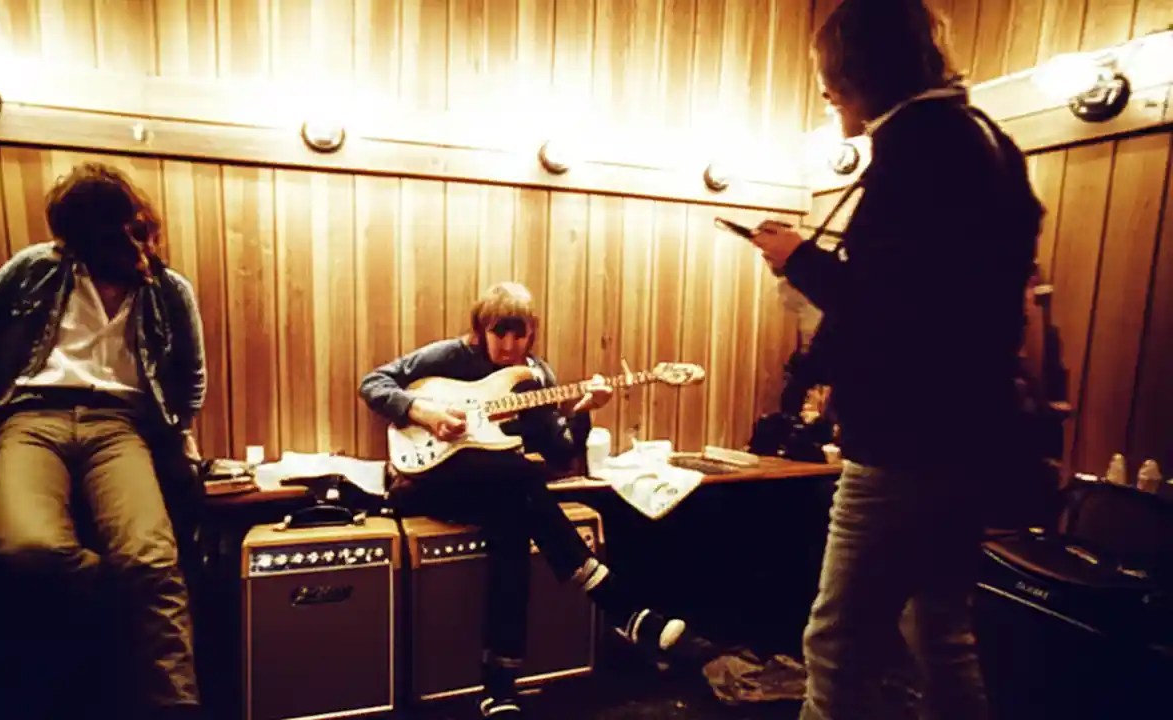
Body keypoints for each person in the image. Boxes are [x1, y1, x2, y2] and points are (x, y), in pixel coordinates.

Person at [748, 1, 1044, 718]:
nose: (827, 92)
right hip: (971, 439)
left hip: (906, 443)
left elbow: (893, 308)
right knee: (938, 628)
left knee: (835, 644)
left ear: (865, 71)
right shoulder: (984, 139)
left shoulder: (919, 147)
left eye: (834, 77)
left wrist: (798, 260)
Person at [360, 281, 702, 718]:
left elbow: (559, 455)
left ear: (531, 333)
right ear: (480, 329)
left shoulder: (535, 378)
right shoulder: (449, 357)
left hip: (500, 493)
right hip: (432, 482)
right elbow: (374, 382)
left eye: (518, 335)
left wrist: (583, 411)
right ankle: (621, 609)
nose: (507, 345)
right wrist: (421, 411)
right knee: (518, 477)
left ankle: (500, 688)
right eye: (498, 333)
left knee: (512, 513)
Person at [0, 162, 207, 720]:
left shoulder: (167, 289)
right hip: (32, 418)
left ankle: (175, 707)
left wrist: (178, 435)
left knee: (151, 558)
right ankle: (124, 608)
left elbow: (191, 374)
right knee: (29, 549)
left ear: (138, 222)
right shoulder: (35, 267)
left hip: (120, 426)